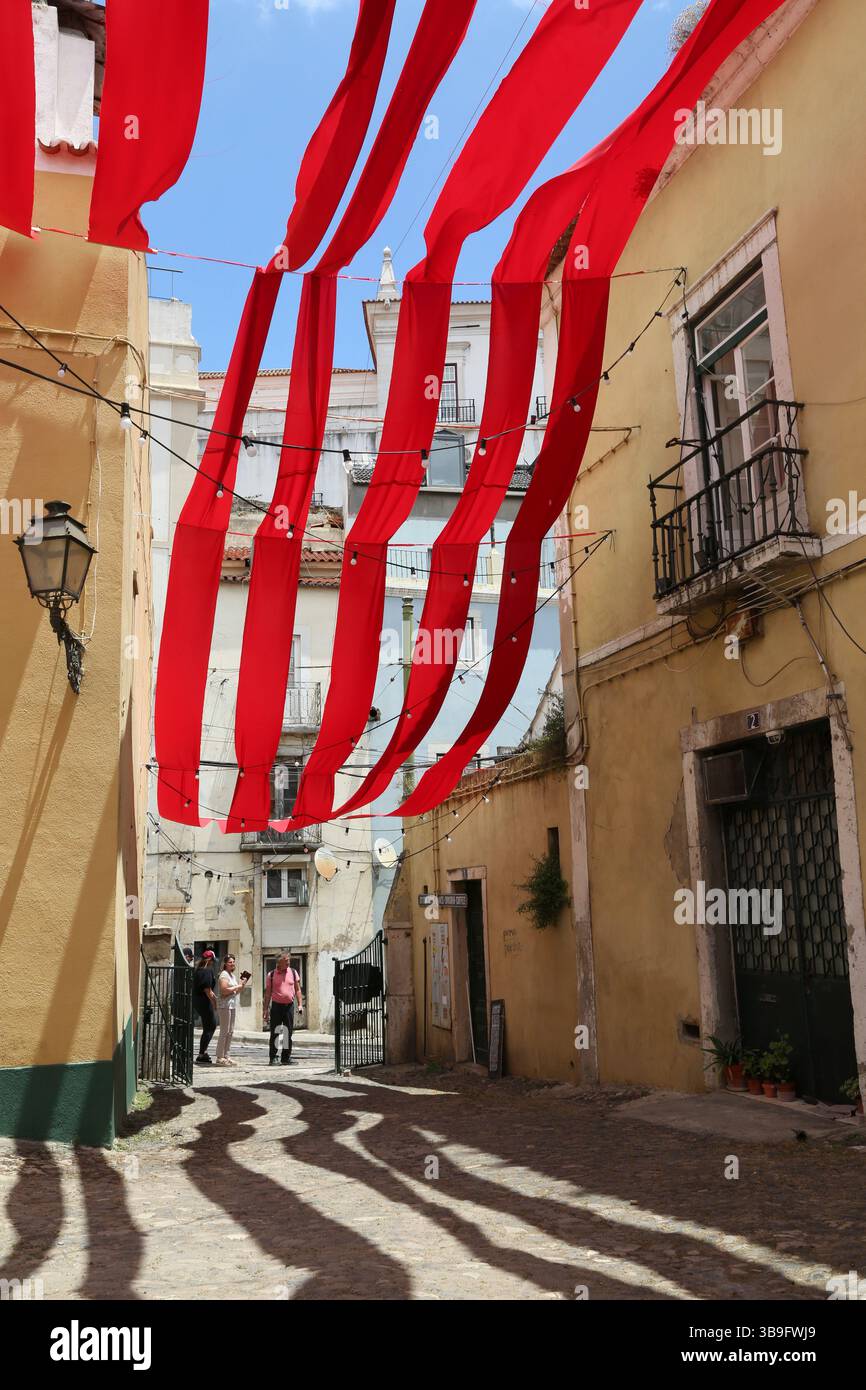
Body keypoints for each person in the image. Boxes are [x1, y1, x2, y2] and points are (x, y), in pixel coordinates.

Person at [264, 954, 303, 1066]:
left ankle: (285, 1058)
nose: (288, 962)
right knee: (275, 1032)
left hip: (289, 1006)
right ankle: (273, 1057)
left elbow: (298, 990)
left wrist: (300, 1004)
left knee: (287, 1032)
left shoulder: (293, 972)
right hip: (276, 1006)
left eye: (288, 960)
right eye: (286, 960)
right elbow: (267, 994)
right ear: (279, 962)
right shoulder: (271, 975)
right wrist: (265, 1010)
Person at [215, 954, 244, 1066]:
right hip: (224, 1005)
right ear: (225, 964)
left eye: (233, 962)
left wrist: (242, 984)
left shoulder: (233, 976)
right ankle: (219, 1056)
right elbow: (224, 991)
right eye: (230, 962)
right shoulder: (224, 975)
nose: (232, 964)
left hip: (231, 1005)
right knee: (224, 1031)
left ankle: (227, 1055)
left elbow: (236, 992)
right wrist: (236, 987)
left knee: (230, 1031)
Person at [193, 950, 218, 1066]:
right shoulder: (207, 971)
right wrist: (215, 1003)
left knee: (208, 1026)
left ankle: (203, 1052)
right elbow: (208, 990)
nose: (213, 963)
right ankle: (202, 1053)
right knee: (211, 1025)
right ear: (209, 960)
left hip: (197, 1001)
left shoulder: (198, 970)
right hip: (204, 1001)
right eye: (212, 960)